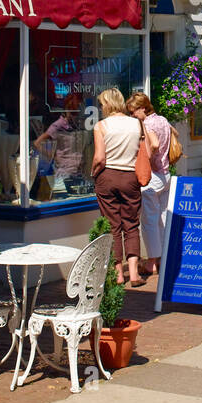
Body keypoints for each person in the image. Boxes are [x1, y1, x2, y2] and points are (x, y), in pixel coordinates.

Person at [92, 88, 145, 287]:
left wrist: (93, 172)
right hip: (130, 176)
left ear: (106, 104)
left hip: (108, 176)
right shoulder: (136, 123)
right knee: (131, 224)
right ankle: (134, 274)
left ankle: (118, 274)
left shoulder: (101, 125)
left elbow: (99, 157)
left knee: (113, 225)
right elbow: (145, 148)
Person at [127, 92, 170, 278]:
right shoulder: (162, 119)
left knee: (149, 221)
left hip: (152, 176)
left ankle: (152, 262)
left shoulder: (148, 123)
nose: (132, 115)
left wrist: (146, 158)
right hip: (165, 173)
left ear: (143, 108)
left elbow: (154, 143)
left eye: (134, 111)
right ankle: (162, 259)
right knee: (161, 219)